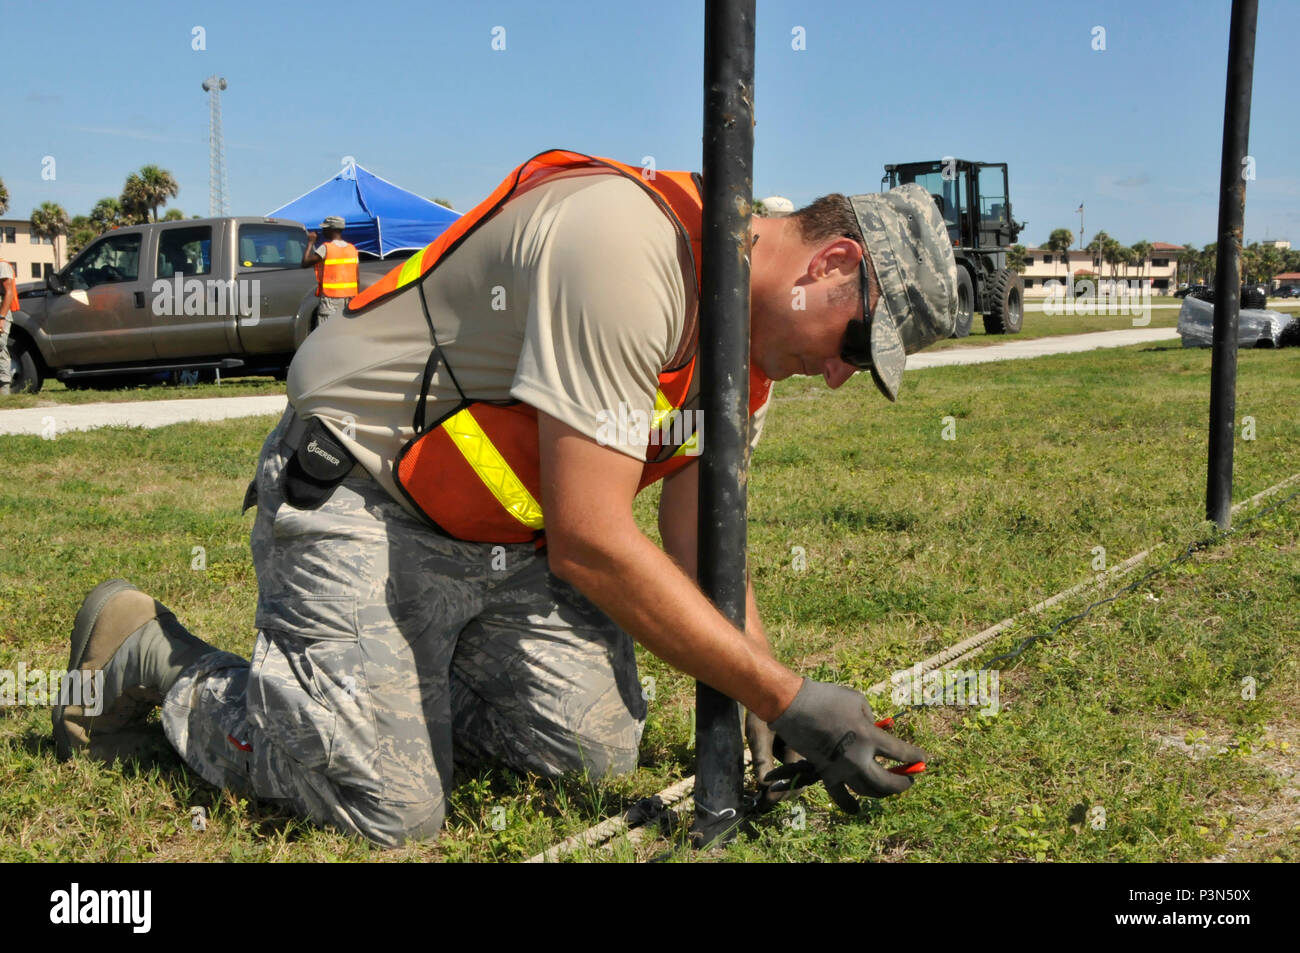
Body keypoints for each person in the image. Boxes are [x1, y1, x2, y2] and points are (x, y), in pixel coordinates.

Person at [54, 150, 957, 846]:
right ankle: (160, 661)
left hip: (498, 544)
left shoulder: (745, 364)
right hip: (361, 494)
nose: (841, 376)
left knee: (591, 752)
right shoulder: (628, 249)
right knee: (390, 809)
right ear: (829, 261)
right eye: (855, 341)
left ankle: (401, 686)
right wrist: (789, 693)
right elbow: (593, 543)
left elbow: (697, 543)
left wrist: (762, 693)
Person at [301, 215, 358, 325]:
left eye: (325, 228)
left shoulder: (326, 247)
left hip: (331, 299)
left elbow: (305, 263)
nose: (323, 231)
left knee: (325, 330)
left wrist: (310, 243)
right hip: (349, 297)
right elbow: (357, 277)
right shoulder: (352, 249)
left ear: (331, 229)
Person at [0, 258, 16, 394]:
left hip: (1, 316)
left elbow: (9, 292)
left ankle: (4, 389)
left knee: (0, 348)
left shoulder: (2, 265)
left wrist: (2, 317)